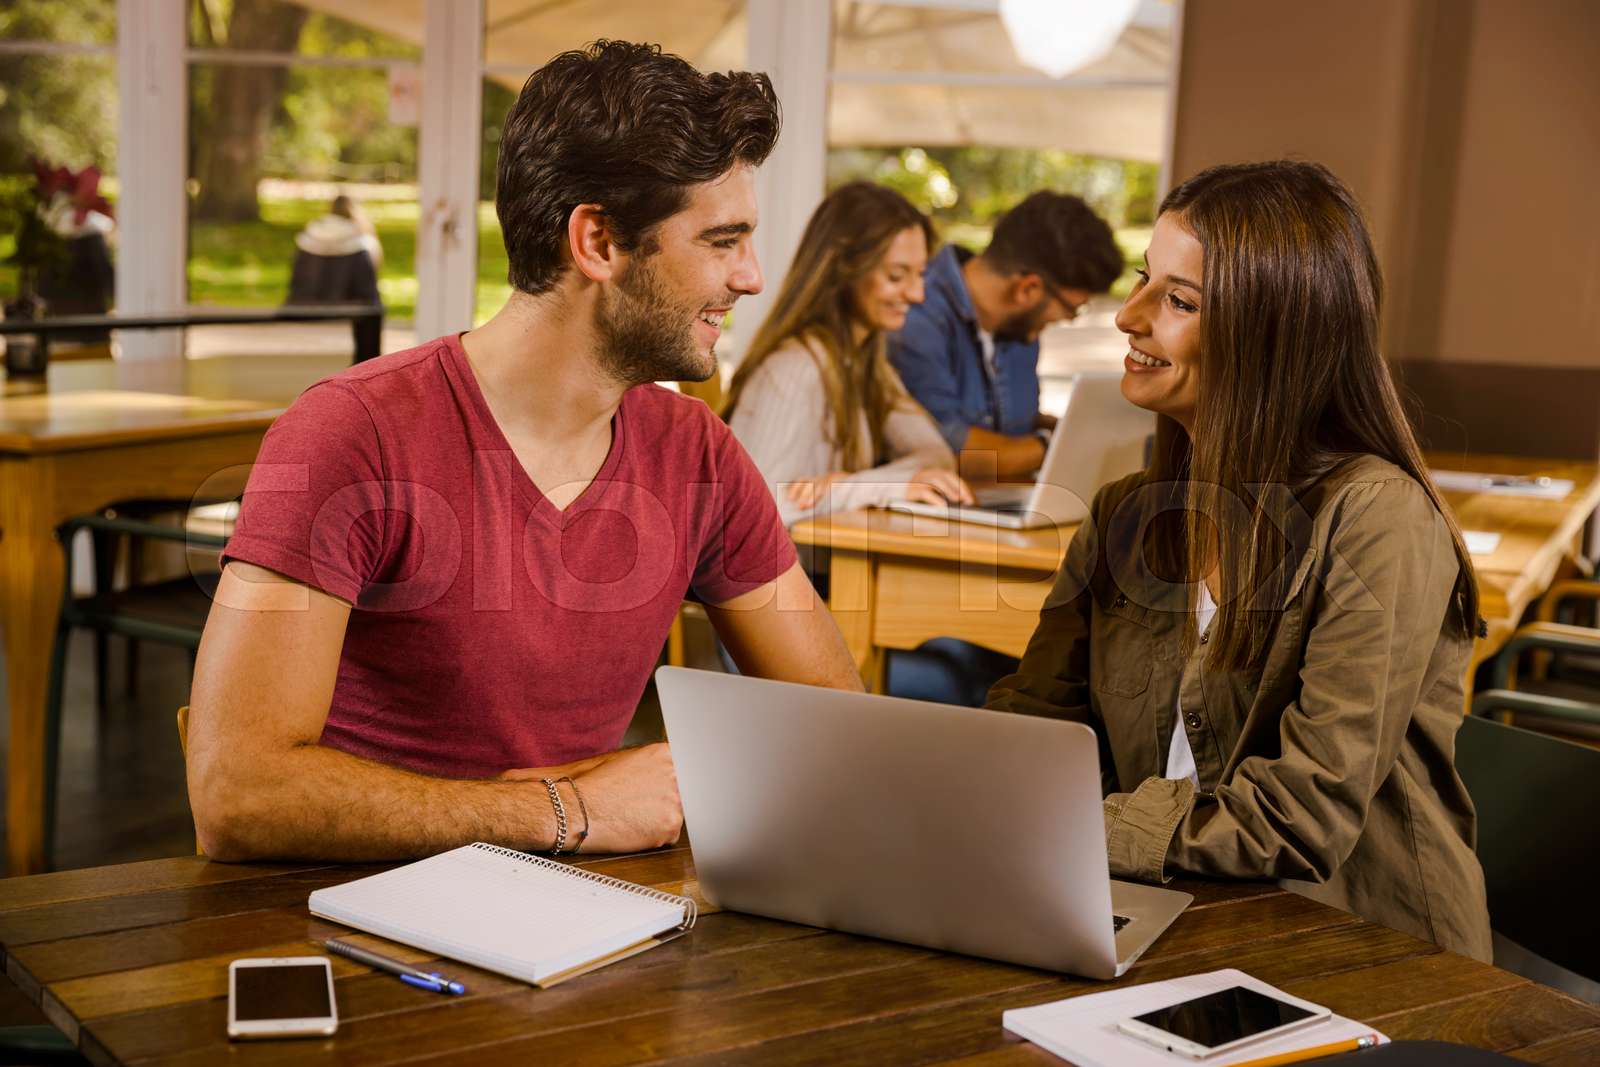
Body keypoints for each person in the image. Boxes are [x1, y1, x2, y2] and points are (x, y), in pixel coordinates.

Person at [188, 41, 863, 865]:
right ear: (599, 244)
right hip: (350, 926)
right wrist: (563, 808)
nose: (752, 277)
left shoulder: (699, 454)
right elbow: (236, 792)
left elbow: (840, 726)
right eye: (722, 241)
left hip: (578, 924)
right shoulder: (350, 432)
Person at [986, 160, 1494, 961]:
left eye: (1179, 301)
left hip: (1359, 958)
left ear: (1273, 337)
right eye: (1144, 279)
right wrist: (968, 786)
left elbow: (1302, 816)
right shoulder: (1124, 513)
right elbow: (1033, 735)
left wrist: (1054, 820)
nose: (1128, 316)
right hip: (1164, 925)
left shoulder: (1377, 518)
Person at [724, 181, 972, 526]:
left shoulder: (866, 365)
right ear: (845, 270)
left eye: (920, 275)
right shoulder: (796, 369)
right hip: (783, 580)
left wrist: (855, 485)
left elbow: (938, 456)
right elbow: (754, 514)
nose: (917, 294)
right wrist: (871, 488)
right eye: (897, 275)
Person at [888, 192, 1123, 481]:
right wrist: (1054, 446)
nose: (1066, 320)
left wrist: (1075, 428)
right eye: (1072, 309)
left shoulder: (1018, 328)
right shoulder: (915, 317)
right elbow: (951, 455)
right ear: (1027, 289)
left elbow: (1016, 428)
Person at [286, 194, 384, 359]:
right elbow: (372, 273)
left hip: (305, 302)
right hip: (351, 304)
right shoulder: (362, 241)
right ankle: (366, 362)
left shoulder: (308, 237)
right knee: (373, 308)